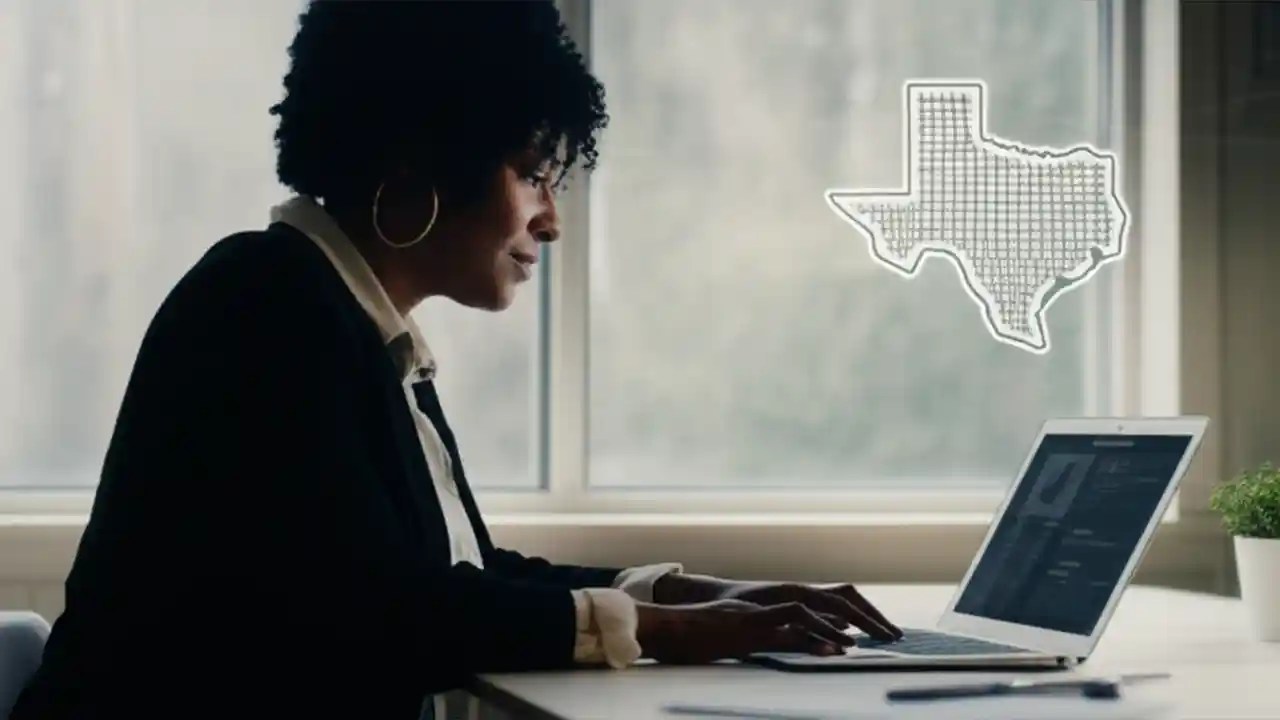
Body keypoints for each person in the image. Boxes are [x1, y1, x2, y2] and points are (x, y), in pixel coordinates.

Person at [12, 2, 900, 718]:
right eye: (532, 173)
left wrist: (687, 592)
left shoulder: (351, 324)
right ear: (425, 164)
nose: (551, 219)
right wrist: (662, 629)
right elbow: (386, 613)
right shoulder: (262, 308)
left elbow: (456, 579)